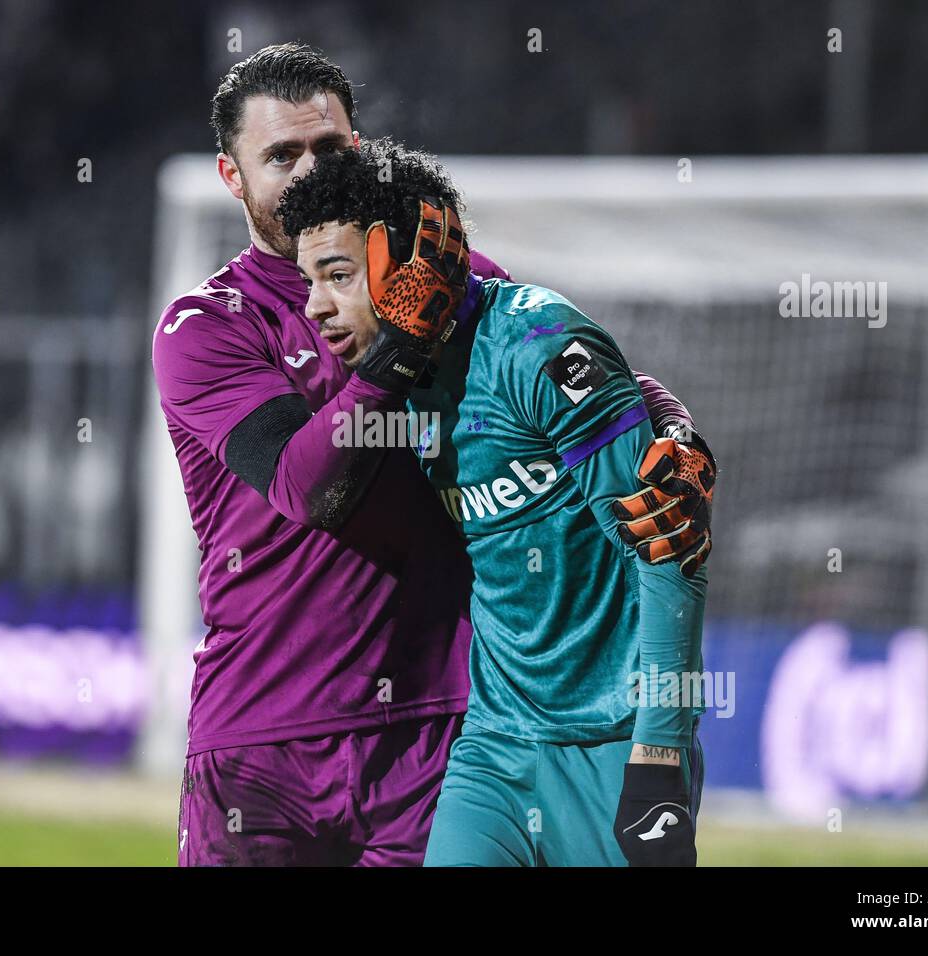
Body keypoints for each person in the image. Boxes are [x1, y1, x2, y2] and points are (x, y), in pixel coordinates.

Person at [152, 43, 712, 866]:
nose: (308, 171)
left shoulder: (447, 285)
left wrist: (670, 426)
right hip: (263, 735)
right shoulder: (208, 327)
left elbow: (561, 376)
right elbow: (311, 488)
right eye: (280, 155)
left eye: (329, 149)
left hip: (435, 737)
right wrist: (394, 357)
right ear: (231, 176)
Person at [278, 140, 713, 866]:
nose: (315, 306)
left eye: (338, 275)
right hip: (494, 747)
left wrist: (661, 753)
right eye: (308, 280)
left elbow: (670, 545)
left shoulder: (538, 344)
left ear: (406, 266)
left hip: (613, 745)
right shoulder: (389, 386)